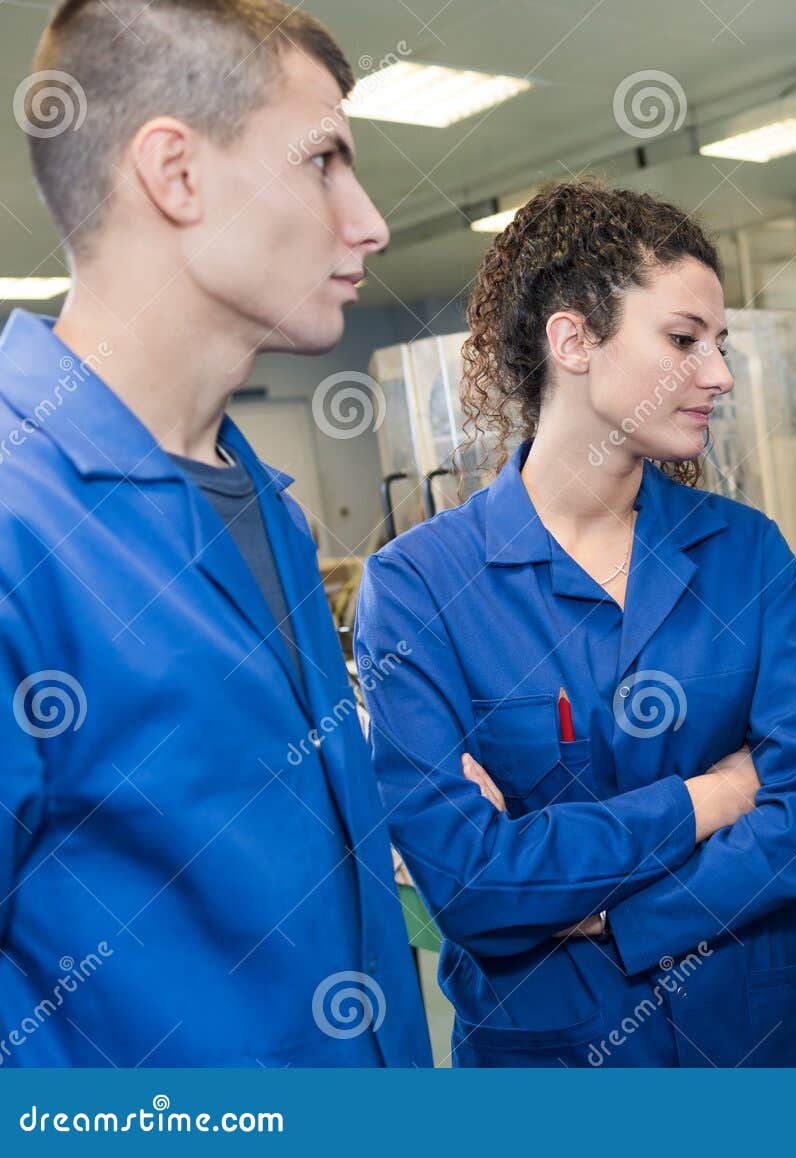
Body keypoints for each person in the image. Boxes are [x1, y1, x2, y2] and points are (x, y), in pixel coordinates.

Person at [0, 0, 429, 1066]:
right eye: (324, 158)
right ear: (175, 175)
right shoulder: (18, 525)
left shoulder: (261, 502)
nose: (369, 221)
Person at [354, 178, 796, 1068]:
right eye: (682, 340)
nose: (721, 374)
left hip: (758, 1028)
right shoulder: (419, 587)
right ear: (573, 340)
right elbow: (474, 885)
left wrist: (615, 916)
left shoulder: (744, 553)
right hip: (556, 1050)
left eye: (721, 343)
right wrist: (717, 795)